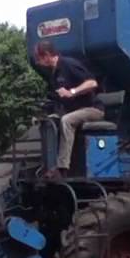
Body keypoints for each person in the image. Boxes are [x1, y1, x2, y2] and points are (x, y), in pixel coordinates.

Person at [33, 39, 103, 178]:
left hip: (92, 109)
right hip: (75, 111)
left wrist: (72, 92)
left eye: (38, 58)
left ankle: (62, 168)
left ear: (47, 55)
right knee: (50, 121)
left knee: (66, 120)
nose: (37, 62)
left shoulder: (68, 64)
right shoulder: (54, 73)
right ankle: (48, 166)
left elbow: (92, 83)